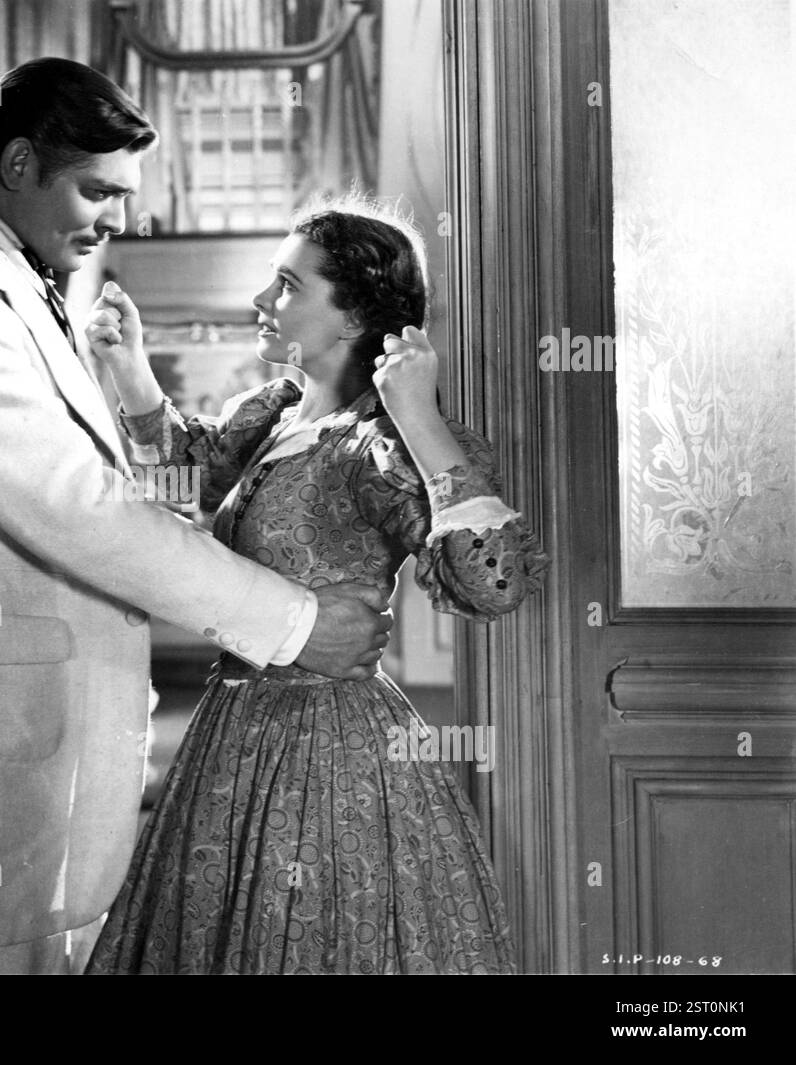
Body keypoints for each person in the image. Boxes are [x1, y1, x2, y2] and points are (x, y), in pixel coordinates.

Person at [0, 58, 393, 975]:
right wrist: (293, 623)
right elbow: (79, 508)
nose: (120, 219)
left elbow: (134, 491)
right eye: (99, 189)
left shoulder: (17, 280)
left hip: (47, 750)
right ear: (18, 165)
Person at [81, 194, 550, 974]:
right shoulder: (274, 411)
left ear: (353, 316)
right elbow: (184, 480)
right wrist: (129, 368)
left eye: (288, 286)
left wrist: (420, 414)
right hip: (232, 725)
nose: (262, 301)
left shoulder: (379, 444)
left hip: (333, 748)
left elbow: (492, 584)